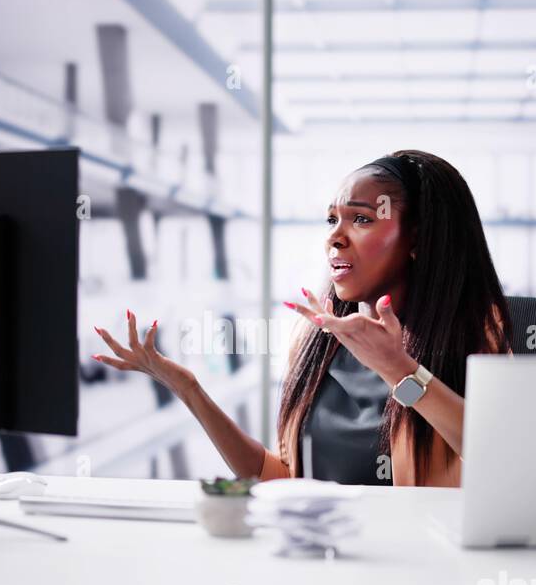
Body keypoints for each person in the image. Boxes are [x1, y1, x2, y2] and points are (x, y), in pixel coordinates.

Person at [93, 149, 512, 487]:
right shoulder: (316, 342)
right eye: (333, 219)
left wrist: (400, 371)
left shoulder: (475, 329)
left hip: (420, 573)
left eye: (362, 219)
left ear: (418, 239)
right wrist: (189, 390)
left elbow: (502, 457)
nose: (335, 235)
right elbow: (283, 479)